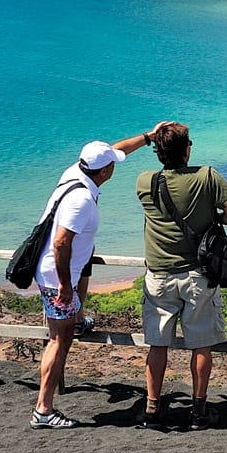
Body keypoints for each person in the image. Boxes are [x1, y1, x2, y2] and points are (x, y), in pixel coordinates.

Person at [28, 126, 159, 429]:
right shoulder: (82, 200)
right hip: (56, 277)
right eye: (112, 163)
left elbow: (118, 149)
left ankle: (78, 318)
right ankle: (43, 410)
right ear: (104, 172)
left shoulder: (77, 170)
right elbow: (61, 242)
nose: (115, 163)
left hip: (59, 270)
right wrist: (64, 286)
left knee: (63, 332)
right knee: (59, 341)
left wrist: (148, 136)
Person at [135, 121, 227, 431]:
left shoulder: (145, 182)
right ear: (187, 149)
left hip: (158, 274)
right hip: (197, 274)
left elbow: (113, 154)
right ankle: (198, 411)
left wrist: (148, 137)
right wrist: (212, 218)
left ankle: (153, 408)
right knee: (201, 345)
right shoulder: (207, 176)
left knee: (157, 345)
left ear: (158, 152)